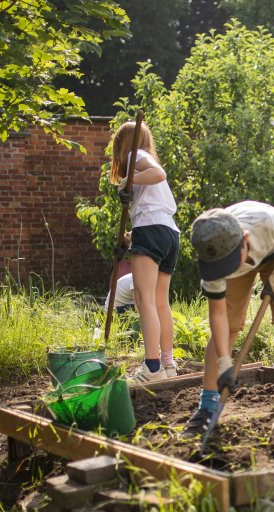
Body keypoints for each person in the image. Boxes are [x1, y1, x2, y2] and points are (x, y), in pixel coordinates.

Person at [183, 201, 274, 438]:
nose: (229, 267)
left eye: (231, 260)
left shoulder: (266, 221)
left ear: (245, 238)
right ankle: (207, 406)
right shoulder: (215, 264)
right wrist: (225, 361)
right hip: (239, 263)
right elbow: (218, 315)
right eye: (223, 266)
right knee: (229, 328)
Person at [109, 120, 179, 381]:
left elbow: (159, 174)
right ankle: (168, 365)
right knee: (160, 302)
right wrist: (130, 237)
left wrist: (128, 179)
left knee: (144, 300)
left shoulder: (134, 156)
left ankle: (152, 368)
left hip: (151, 231)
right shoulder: (143, 158)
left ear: (122, 145)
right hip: (168, 232)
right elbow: (151, 207)